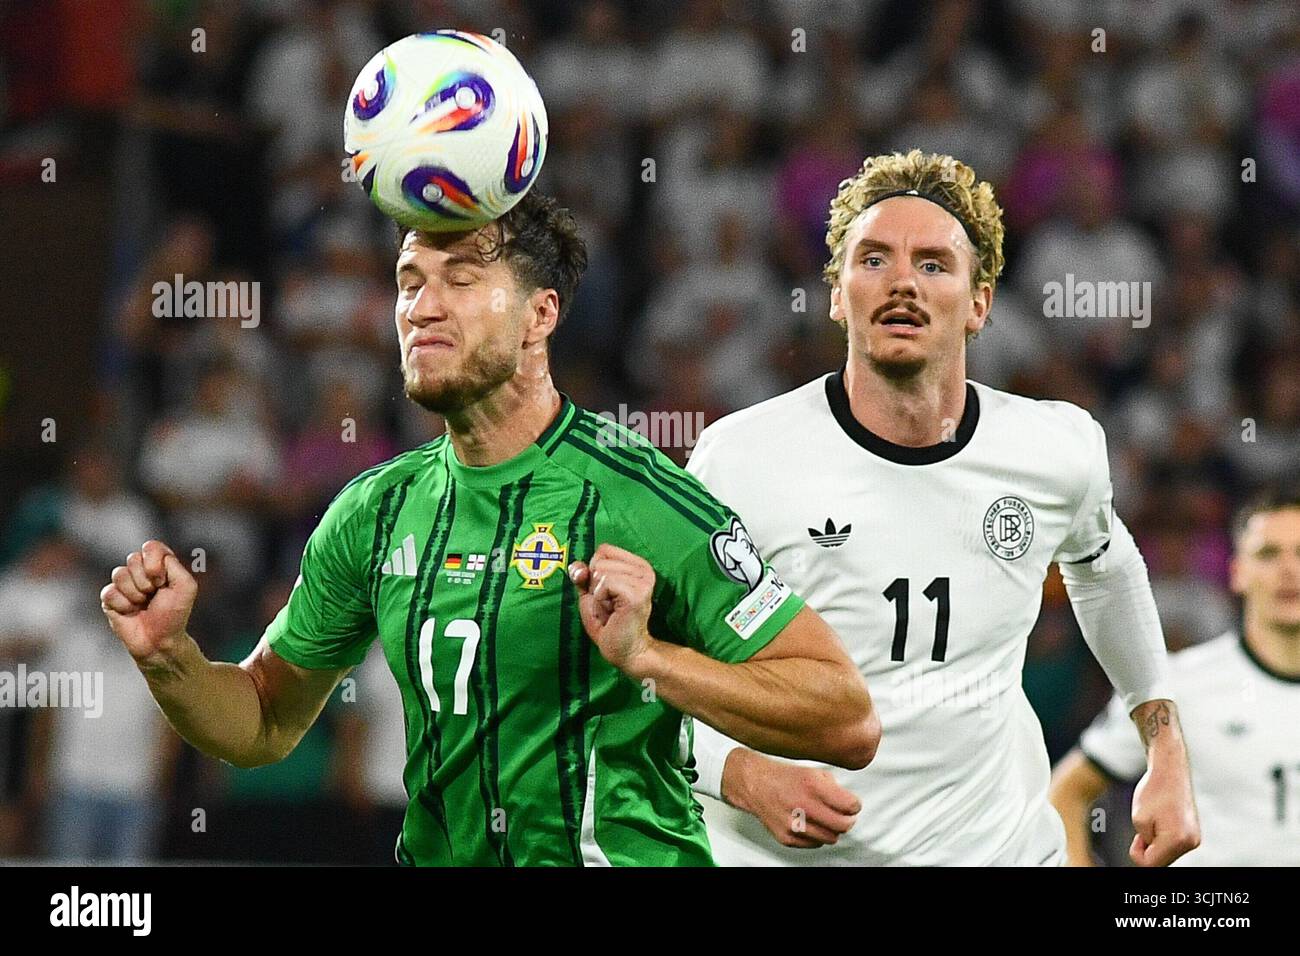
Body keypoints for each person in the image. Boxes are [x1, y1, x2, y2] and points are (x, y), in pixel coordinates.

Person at [99, 191, 880, 867]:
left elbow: (843, 715)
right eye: (410, 283)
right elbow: (263, 722)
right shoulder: (376, 511)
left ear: (542, 315)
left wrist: (650, 659)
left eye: (461, 281)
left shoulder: (638, 498)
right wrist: (171, 657)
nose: (422, 308)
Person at [687, 149, 1199, 866]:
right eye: (873, 260)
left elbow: (1104, 568)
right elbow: (645, 667)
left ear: (980, 303)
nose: (902, 282)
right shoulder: (739, 460)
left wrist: (1163, 741)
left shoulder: (1056, 450)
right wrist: (738, 774)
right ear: (836, 294)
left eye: (933, 264)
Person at [1050, 489, 1300, 865]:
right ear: (1237, 573)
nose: (1289, 571)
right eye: (1267, 554)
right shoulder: (1176, 686)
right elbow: (1066, 792)